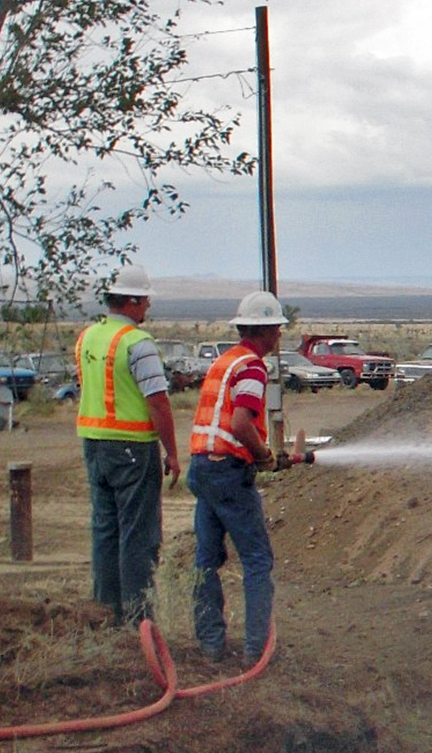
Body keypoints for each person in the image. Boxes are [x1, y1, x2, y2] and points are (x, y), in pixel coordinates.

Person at [188, 291, 291, 664]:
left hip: (202, 467)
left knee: (206, 560)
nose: (280, 335)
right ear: (264, 330)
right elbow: (241, 423)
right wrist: (263, 456)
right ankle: (256, 649)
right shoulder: (251, 367)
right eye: (277, 328)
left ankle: (211, 644)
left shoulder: (225, 361)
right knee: (257, 560)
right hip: (229, 473)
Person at [76, 264, 181, 626]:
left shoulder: (87, 337)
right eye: (145, 300)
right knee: (138, 535)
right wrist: (172, 451)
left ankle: (106, 613)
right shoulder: (138, 343)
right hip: (133, 449)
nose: (148, 307)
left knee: (105, 530)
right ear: (133, 301)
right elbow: (157, 401)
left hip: (94, 445)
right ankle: (139, 622)